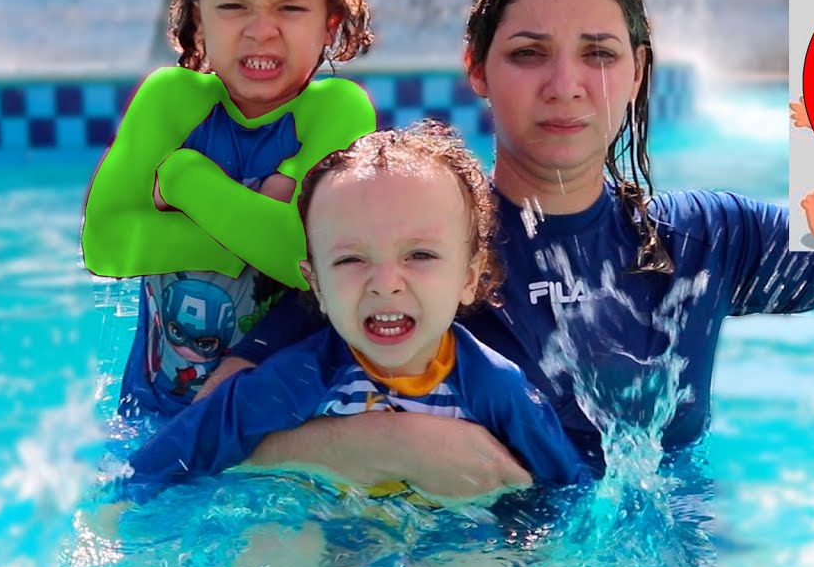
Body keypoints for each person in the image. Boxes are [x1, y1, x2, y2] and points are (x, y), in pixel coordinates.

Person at [193, 0, 814, 496]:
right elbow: (195, 438)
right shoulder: (408, 239)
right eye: (529, 54)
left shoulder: (703, 241)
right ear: (479, 71)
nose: (565, 86)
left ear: (636, 73)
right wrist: (380, 446)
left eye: (598, 54)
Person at [112, 121, 590, 506]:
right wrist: (119, 508)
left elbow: (569, 489)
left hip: (447, 547)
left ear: (469, 277)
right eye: (350, 260)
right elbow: (190, 443)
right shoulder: (299, 377)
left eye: (419, 256)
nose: (385, 283)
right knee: (277, 545)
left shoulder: (495, 386)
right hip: (325, 529)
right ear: (317, 284)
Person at [81, 0, 375, 425]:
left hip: (288, 425)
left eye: (290, 8)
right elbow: (105, 245)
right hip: (153, 419)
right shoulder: (169, 100)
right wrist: (249, 233)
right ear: (199, 16)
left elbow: (309, 264)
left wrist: (184, 179)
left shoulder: (338, 111)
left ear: (330, 22)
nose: (260, 30)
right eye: (233, 6)